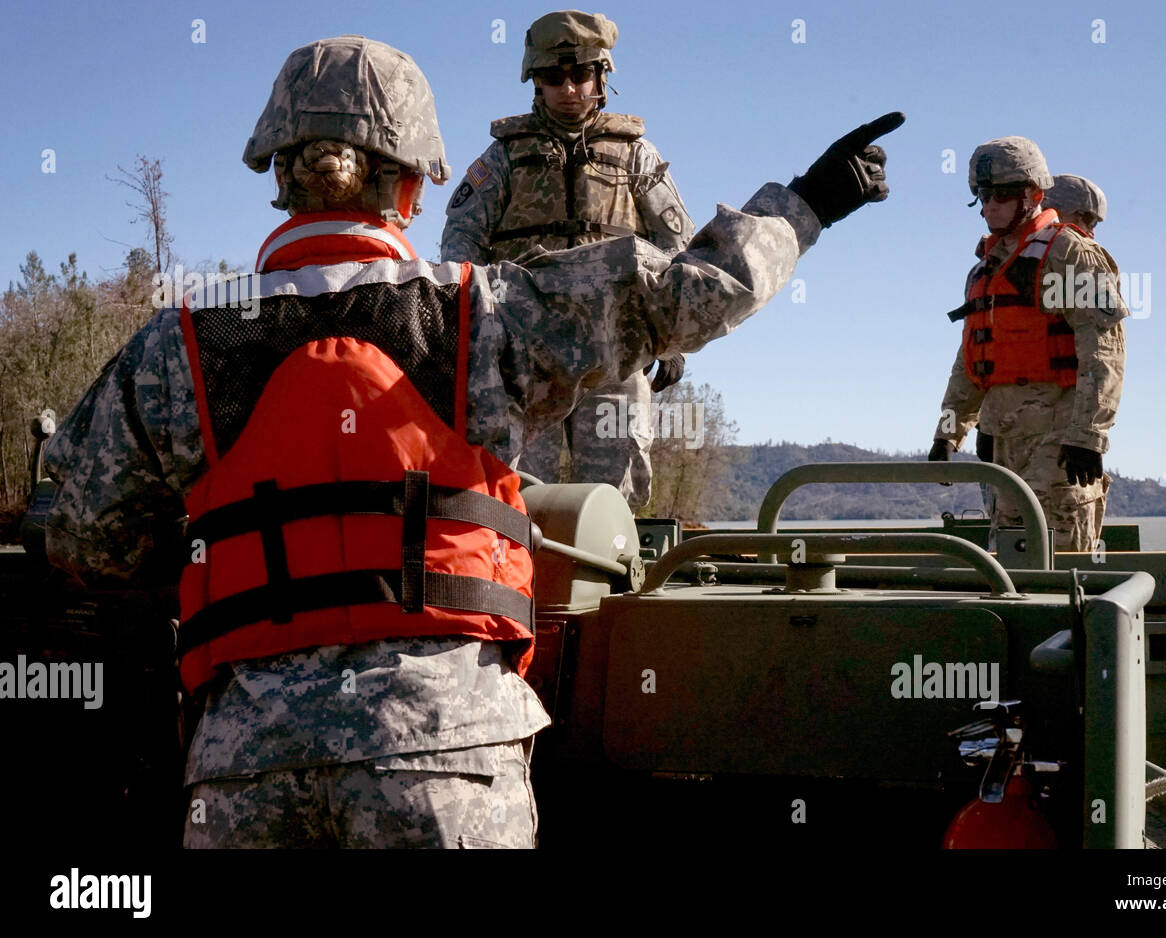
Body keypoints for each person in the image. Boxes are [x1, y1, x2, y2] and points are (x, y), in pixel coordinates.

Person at [40, 34, 902, 847]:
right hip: (449, 761)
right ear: (410, 188)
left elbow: (87, 539)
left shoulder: (174, 346)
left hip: (244, 770)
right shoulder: (487, 311)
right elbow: (686, 295)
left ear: (280, 176)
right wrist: (808, 203)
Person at [441, 10, 693, 510]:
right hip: (524, 356)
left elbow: (676, 250)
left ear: (602, 77)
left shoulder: (636, 157)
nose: (569, 89)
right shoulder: (503, 159)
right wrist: (470, 338)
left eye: (580, 74)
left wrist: (673, 338)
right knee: (514, 494)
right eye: (553, 77)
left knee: (616, 492)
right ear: (534, 82)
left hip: (616, 351)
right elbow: (459, 249)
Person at [928, 138, 1126, 553]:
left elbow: (1103, 351)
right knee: (1014, 560)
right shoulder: (986, 268)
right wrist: (948, 434)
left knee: (1062, 561)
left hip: (1059, 444)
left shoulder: (1070, 254)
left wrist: (1088, 436)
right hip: (1004, 446)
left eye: (1002, 194)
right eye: (982, 195)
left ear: (1034, 195)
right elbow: (972, 358)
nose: (989, 206)